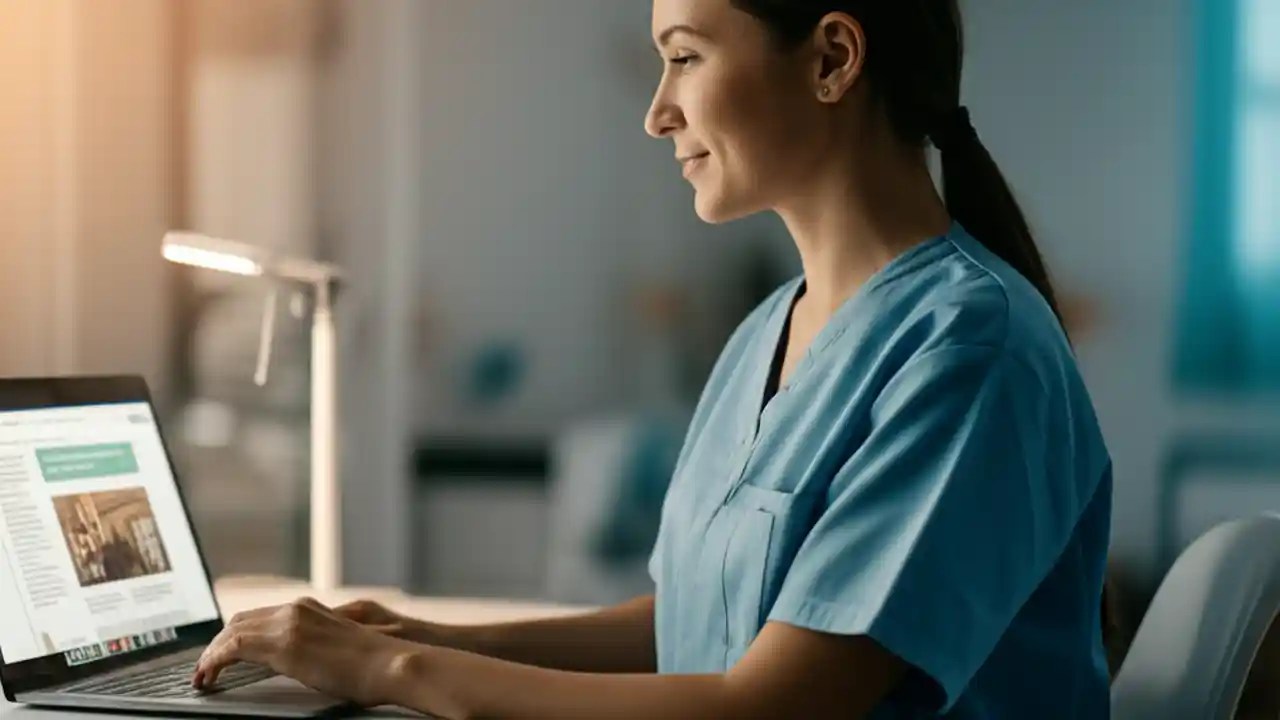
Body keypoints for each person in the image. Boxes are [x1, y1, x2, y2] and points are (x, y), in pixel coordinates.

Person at [192, 0, 1113, 717]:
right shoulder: (770, 330)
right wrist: (415, 636)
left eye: (685, 56)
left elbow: (775, 705)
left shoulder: (970, 350)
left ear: (832, 59)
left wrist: (395, 669)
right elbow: (688, 632)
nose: (657, 112)